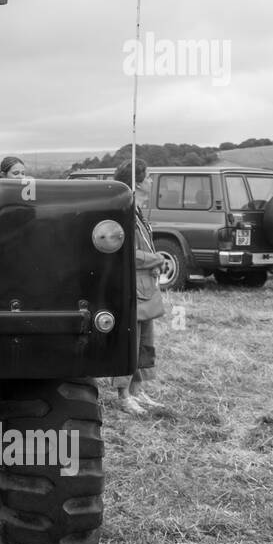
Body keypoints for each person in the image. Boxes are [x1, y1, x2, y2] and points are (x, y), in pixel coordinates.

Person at [109, 159, 167, 415]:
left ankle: (138, 390)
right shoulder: (124, 213)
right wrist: (157, 259)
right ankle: (123, 394)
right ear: (138, 181)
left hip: (146, 287)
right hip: (133, 288)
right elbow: (127, 253)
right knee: (129, 342)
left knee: (144, 341)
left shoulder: (138, 211)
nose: (152, 181)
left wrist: (154, 262)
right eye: (149, 176)